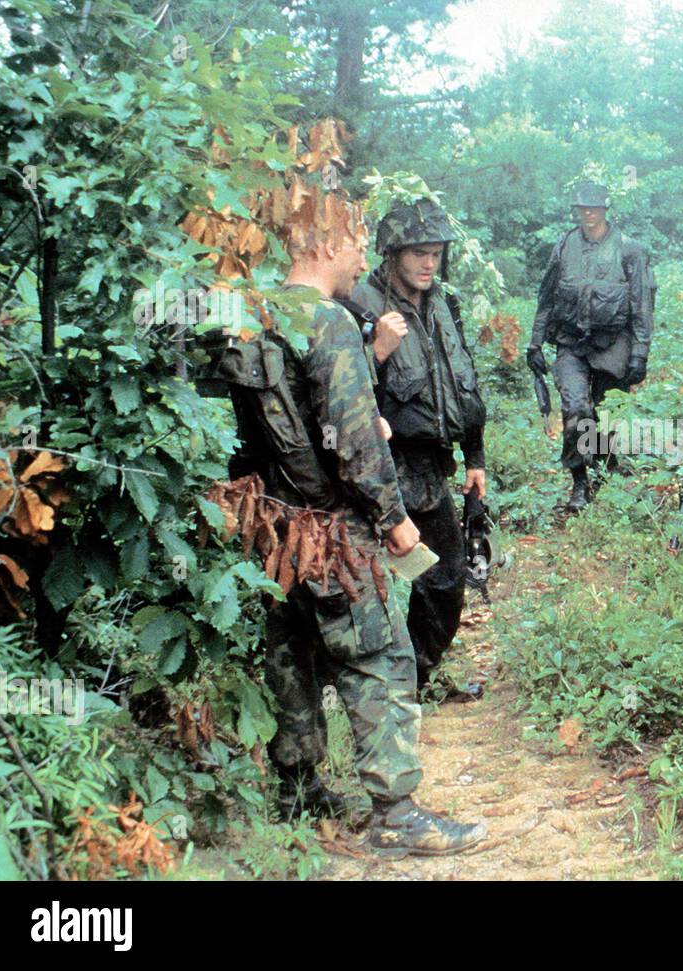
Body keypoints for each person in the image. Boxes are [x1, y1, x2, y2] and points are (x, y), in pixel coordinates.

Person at [220, 192, 486, 856]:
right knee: (381, 655)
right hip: (331, 527)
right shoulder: (330, 322)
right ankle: (395, 813)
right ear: (324, 243)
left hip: (270, 525)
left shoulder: (254, 316)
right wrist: (393, 519)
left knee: (294, 650)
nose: (363, 254)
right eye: (357, 241)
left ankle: (298, 788)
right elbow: (356, 440)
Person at [350, 199, 488, 700]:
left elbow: (465, 384)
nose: (429, 264)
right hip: (374, 465)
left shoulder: (442, 304)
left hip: (428, 467)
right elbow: (330, 393)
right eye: (418, 254)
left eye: (436, 253)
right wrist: (376, 353)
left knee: (444, 577)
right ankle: (369, 692)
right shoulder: (358, 304)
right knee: (366, 585)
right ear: (392, 254)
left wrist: (475, 458)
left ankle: (414, 682)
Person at [527, 181, 655, 512]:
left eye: (594, 207)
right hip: (571, 342)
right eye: (583, 208)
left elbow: (642, 306)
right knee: (575, 410)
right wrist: (535, 342)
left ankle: (604, 468)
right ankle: (580, 482)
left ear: (605, 210)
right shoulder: (564, 245)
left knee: (607, 415)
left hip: (613, 343)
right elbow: (546, 297)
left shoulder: (630, 250)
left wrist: (639, 353)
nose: (588, 213)